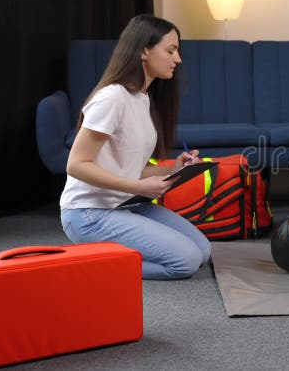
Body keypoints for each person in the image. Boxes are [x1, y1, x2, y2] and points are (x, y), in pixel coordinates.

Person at [59, 15, 211, 280]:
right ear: (144, 51)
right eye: (171, 50)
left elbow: (130, 168)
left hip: (126, 205)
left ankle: (111, 253)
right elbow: (76, 165)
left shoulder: (142, 99)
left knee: (203, 251)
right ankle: (89, 266)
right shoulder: (112, 98)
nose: (178, 60)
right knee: (185, 262)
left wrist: (175, 168)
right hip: (89, 212)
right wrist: (137, 188)